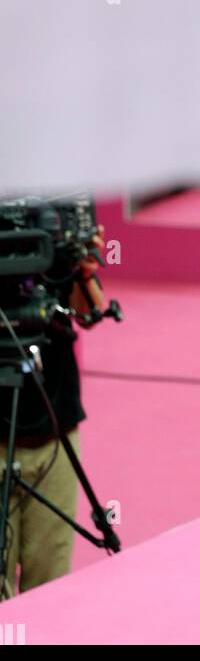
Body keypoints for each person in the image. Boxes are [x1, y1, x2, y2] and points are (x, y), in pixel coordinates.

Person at [0, 232, 105, 597]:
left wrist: (84, 270)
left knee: (50, 589)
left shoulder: (51, 219)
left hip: (54, 432)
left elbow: (90, 312)